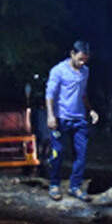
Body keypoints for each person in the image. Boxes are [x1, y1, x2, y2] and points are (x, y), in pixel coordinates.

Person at [45, 40, 99, 201]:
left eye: (86, 60)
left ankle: (75, 187)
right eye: (80, 59)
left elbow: (83, 94)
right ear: (72, 54)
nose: (82, 62)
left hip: (79, 119)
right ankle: (54, 184)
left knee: (81, 155)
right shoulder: (58, 70)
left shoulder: (85, 71)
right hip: (60, 119)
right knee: (58, 152)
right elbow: (49, 95)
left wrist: (91, 110)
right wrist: (50, 115)